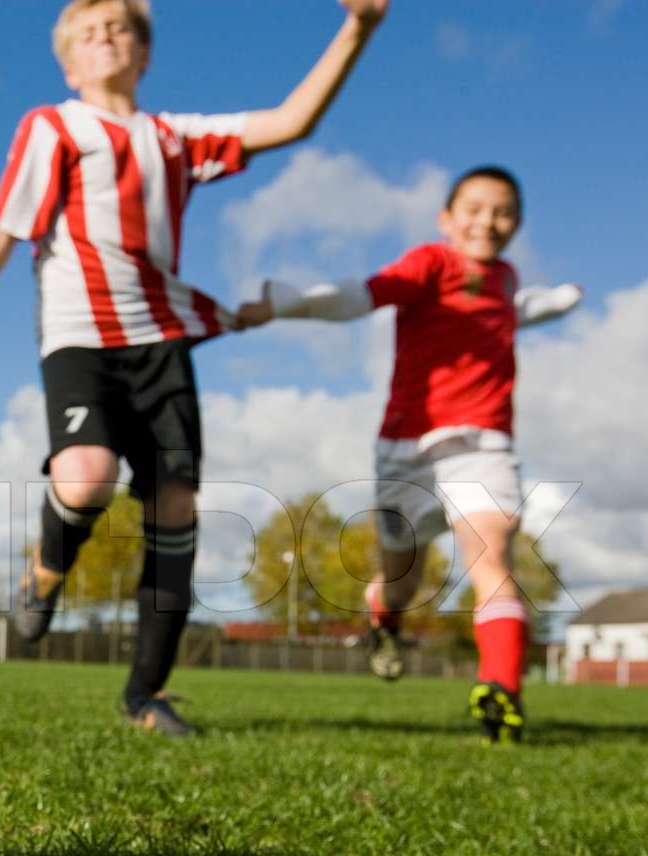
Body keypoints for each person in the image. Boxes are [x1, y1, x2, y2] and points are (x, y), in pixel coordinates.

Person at [0, 0, 388, 736]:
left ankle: (145, 697)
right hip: (80, 338)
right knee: (86, 476)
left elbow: (291, 122)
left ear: (145, 53)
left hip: (162, 341)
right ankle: (45, 569)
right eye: (88, 32)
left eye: (119, 27)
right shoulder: (53, 126)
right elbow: (1, 232)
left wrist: (358, 28)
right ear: (69, 65)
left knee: (175, 508)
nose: (105, 37)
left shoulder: (175, 138)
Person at [236, 165, 581, 743]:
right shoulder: (430, 264)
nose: (488, 222)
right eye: (475, 209)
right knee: (403, 577)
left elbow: (510, 311)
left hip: (483, 445)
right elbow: (364, 295)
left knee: (492, 554)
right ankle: (385, 616)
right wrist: (288, 304)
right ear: (447, 218)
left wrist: (555, 304)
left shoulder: (505, 278)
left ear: (517, 224)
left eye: (503, 213)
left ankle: (501, 694)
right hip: (407, 449)